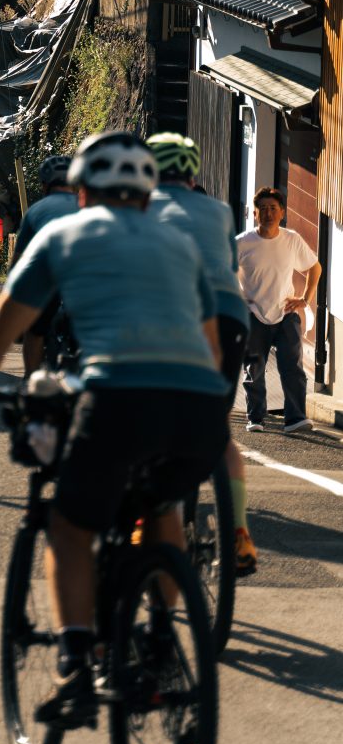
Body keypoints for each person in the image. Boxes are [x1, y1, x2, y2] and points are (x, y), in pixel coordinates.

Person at [0, 131, 229, 728]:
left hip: (118, 399)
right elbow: (208, 346)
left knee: (70, 529)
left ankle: (76, 659)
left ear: (81, 193)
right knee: (161, 509)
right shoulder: (181, 244)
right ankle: (154, 643)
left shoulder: (63, 234)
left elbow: (3, 331)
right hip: (199, 408)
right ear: (148, 198)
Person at [147, 133, 258, 576]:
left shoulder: (143, 207)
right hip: (229, 318)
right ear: (193, 174)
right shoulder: (218, 211)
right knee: (216, 430)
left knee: (153, 418)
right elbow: (228, 266)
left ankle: (158, 514)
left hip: (172, 315)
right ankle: (240, 535)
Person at [237, 186, 320, 437]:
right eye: (262, 209)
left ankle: (295, 418)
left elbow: (314, 268)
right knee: (255, 368)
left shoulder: (291, 239)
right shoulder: (241, 243)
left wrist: (305, 299)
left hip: (286, 313)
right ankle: (256, 417)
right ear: (254, 214)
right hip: (254, 313)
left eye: (273, 208)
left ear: (282, 212)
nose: (268, 213)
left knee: (292, 368)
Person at [10, 154, 77, 376]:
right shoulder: (88, 207)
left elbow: (19, 259)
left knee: (34, 330)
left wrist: (13, 289)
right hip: (84, 280)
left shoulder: (36, 211)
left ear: (44, 185)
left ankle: (29, 380)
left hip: (49, 278)